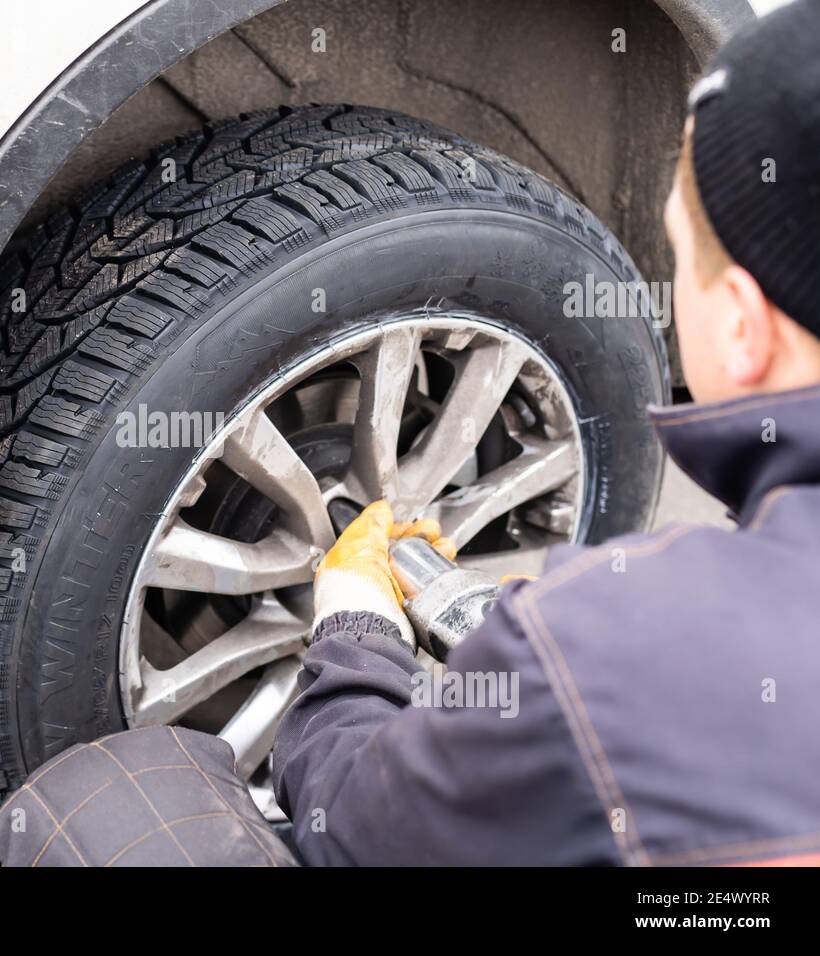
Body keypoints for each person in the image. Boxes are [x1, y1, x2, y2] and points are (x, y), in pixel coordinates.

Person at [273, 0, 820, 866]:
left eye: (678, 257)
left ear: (745, 327)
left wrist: (354, 637)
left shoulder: (619, 650)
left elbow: (349, 831)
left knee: (110, 807)